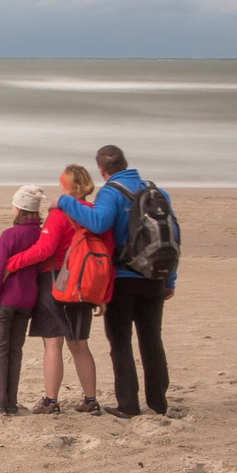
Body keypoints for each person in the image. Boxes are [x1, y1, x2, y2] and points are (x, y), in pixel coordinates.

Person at [54, 145, 178, 418]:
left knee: (121, 342)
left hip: (123, 278)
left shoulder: (111, 192)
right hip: (154, 277)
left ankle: (128, 405)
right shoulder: (156, 191)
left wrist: (64, 202)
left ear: (101, 170)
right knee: (152, 340)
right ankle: (158, 403)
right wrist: (170, 278)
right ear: (125, 163)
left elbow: (98, 223)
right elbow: (172, 236)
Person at [6, 164, 110, 415]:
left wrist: (12, 263)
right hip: (85, 285)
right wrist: (104, 293)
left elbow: (44, 249)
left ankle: (51, 401)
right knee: (79, 345)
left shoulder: (60, 214)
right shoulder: (94, 215)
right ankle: (90, 400)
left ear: (66, 185)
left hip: (56, 283)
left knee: (53, 344)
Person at [0, 186, 45, 415]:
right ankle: (10, 402)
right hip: (28, 300)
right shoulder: (42, 235)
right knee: (15, 351)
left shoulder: (10, 235)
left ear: (19, 209)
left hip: (6, 300)